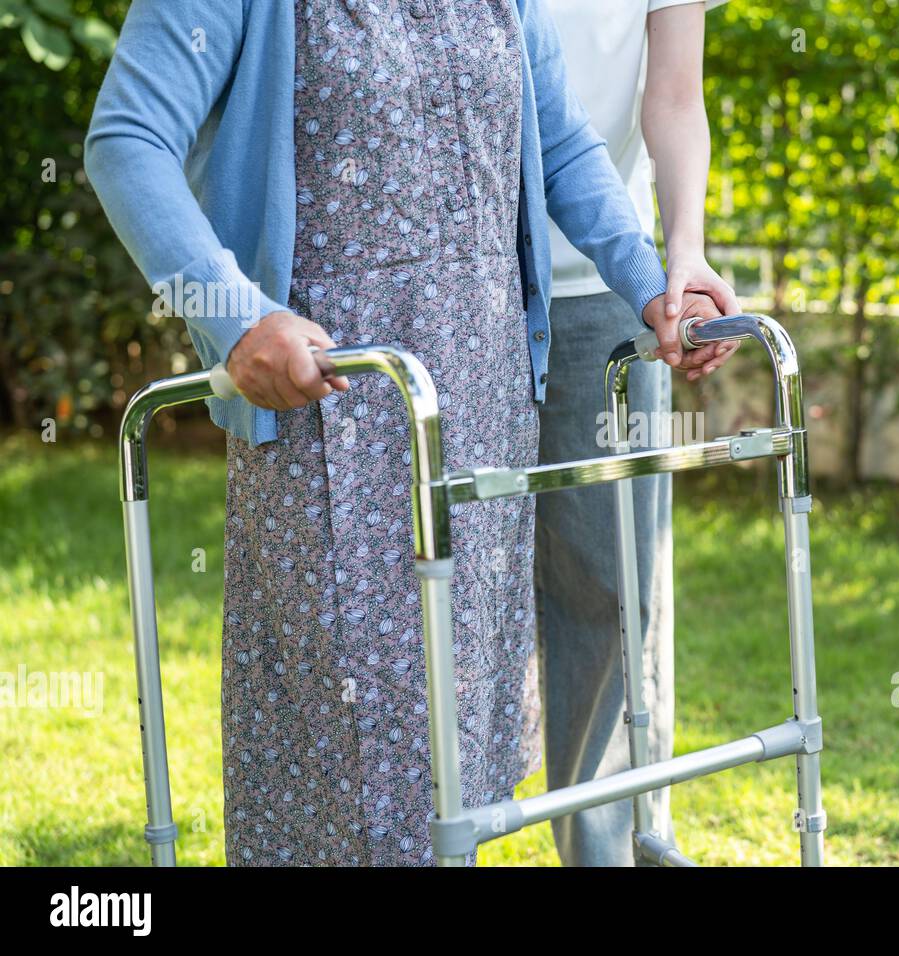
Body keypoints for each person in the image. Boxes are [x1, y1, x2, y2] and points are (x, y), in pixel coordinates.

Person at [85, 0, 733, 866]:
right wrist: (235, 318)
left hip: (481, 423)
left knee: (452, 771)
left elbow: (567, 150)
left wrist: (655, 285)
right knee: (360, 762)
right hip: (330, 419)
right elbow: (127, 142)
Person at [536, 0, 739, 866]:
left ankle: (611, 848)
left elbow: (675, 97)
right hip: (445, 281)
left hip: (607, 278)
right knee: (431, 579)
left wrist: (681, 254)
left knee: (616, 582)